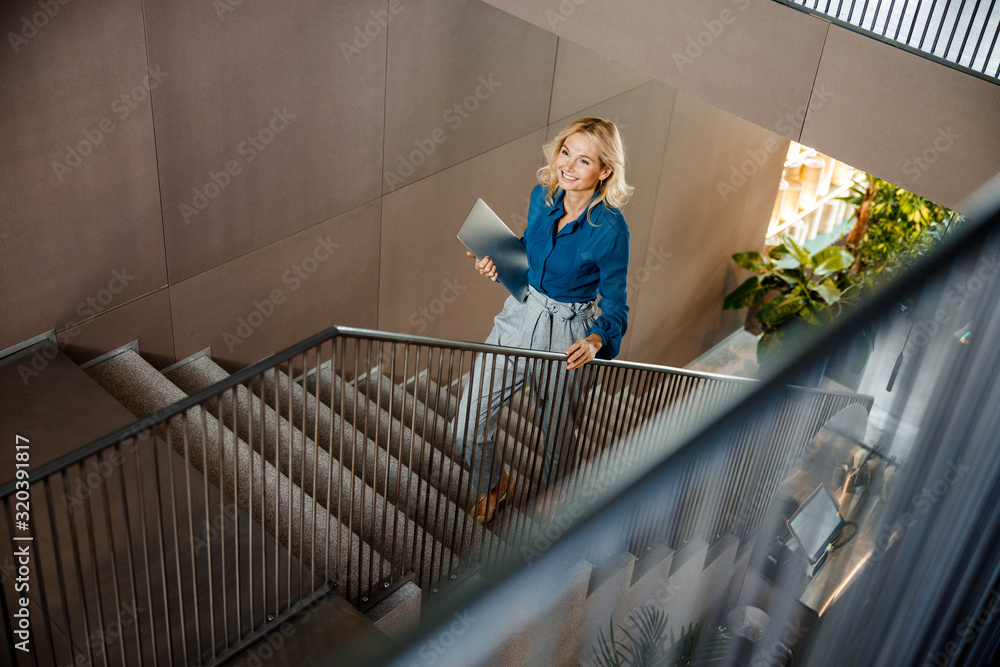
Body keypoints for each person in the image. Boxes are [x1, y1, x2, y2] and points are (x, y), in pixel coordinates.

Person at [454, 117, 633, 524]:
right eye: (565, 152)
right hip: (519, 318)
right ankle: (494, 483)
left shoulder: (611, 230)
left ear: (605, 171)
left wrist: (594, 341)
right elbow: (529, 251)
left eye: (583, 161)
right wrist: (496, 261)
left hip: (568, 334)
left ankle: (554, 490)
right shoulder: (543, 196)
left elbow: (618, 306)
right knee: (466, 425)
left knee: (556, 429)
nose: (567, 166)